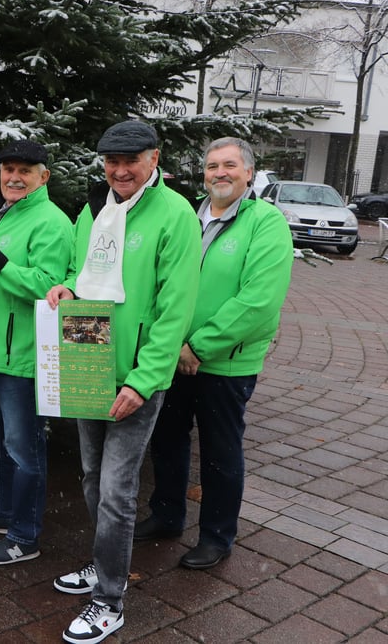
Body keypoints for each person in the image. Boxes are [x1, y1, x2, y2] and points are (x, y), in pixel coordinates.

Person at [47, 120, 200, 644]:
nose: (119, 171)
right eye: (111, 161)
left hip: (136, 376)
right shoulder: (94, 210)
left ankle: (109, 600)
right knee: (92, 477)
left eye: (130, 160)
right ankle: (103, 560)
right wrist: (67, 288)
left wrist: (145, 380)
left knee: (117, 490)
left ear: (154, 158)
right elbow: (80, 268)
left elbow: (175, 308)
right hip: (88, 359)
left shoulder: (175, 214)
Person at [134, 137, 293, 569]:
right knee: (167, 441)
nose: (219, 173)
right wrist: (171, 345)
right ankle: (167, 515)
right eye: (211, 166)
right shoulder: (189, 216)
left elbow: (258, 301)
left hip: (225, 363)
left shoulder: (266, 223)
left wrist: (199, 346)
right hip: (173, 355)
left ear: (249, 173)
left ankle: (216, 536)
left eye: (229, 165)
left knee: (220, 453)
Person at [0, 139, 74, 565]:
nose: (14, 177)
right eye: (8, 170)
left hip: (20, 357)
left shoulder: (52, 222)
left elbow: (51, 287)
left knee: (24, 449)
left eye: (25, 170)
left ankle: (24, 536)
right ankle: (0, 513)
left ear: (44, 176)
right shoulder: (2, 213)